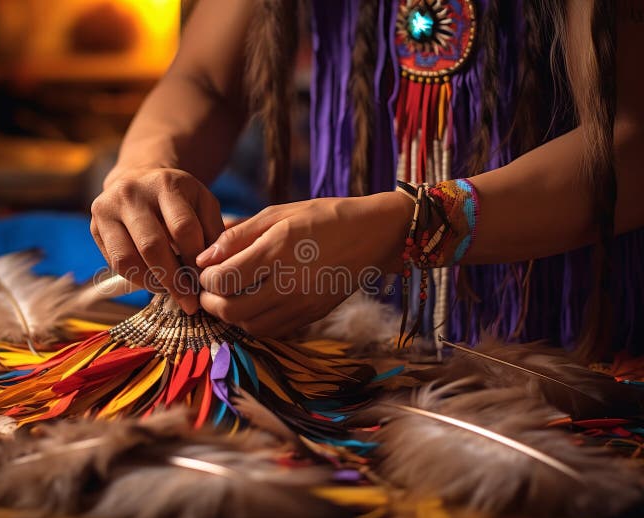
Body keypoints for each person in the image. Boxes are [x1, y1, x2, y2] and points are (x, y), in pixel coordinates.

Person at [90, 0, 644, 360]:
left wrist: (400, 229)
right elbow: (205, 80)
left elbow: (633, 140)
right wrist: (141, 169)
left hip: (581, 351)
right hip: (355, 357)